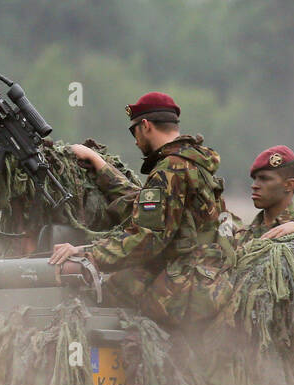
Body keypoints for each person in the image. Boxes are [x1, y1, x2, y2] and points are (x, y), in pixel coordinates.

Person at [49, 92, 235, 327]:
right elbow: (142, 203)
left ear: (145, 126)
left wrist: (89, 255)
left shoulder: (169, 171)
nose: (135, 140)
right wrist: (100, 165)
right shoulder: (191, 164)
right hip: (207, 281)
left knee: (98, 292)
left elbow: (147, 238)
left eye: (134, 130)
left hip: (186, 290)